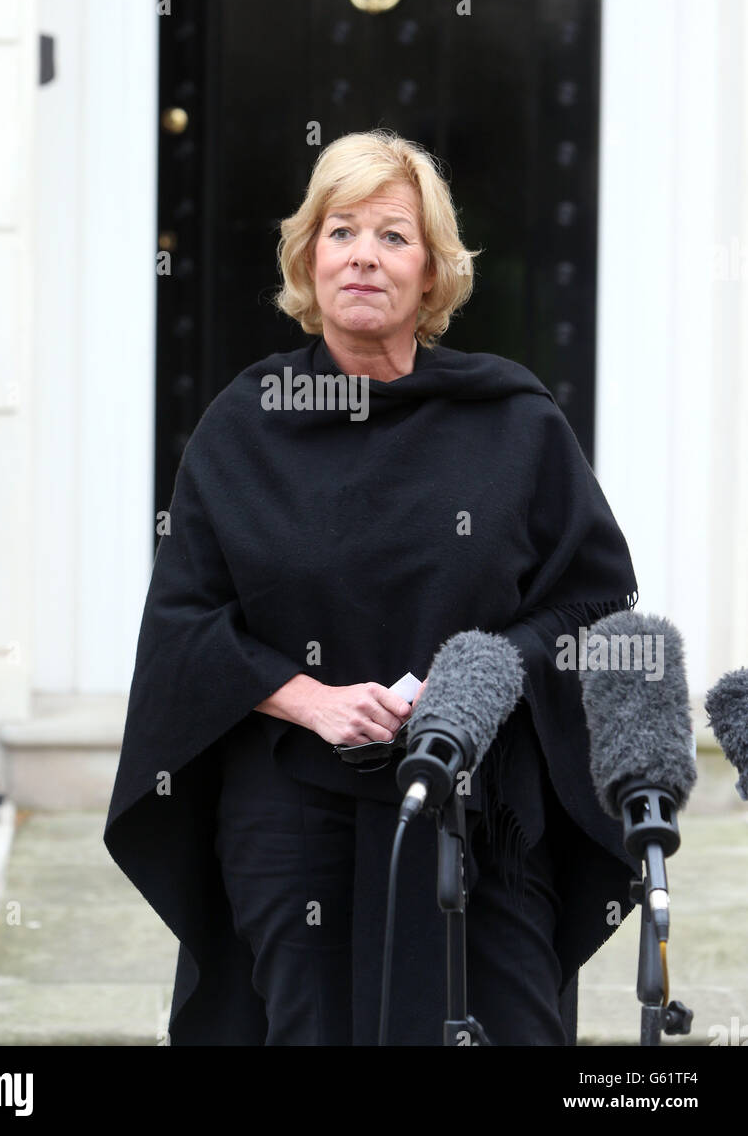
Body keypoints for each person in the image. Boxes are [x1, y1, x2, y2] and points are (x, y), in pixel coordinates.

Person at [104, 129, 640, 1046]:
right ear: (308, 259)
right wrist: (311, 700)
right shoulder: (245, 425)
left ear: (433, 272)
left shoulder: (511, 422)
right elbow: (187, 623)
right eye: (341, 230)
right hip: (291, 815)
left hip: (483, 817)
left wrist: (476, 680)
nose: (364, 256)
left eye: (394, 236)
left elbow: (593, 606)